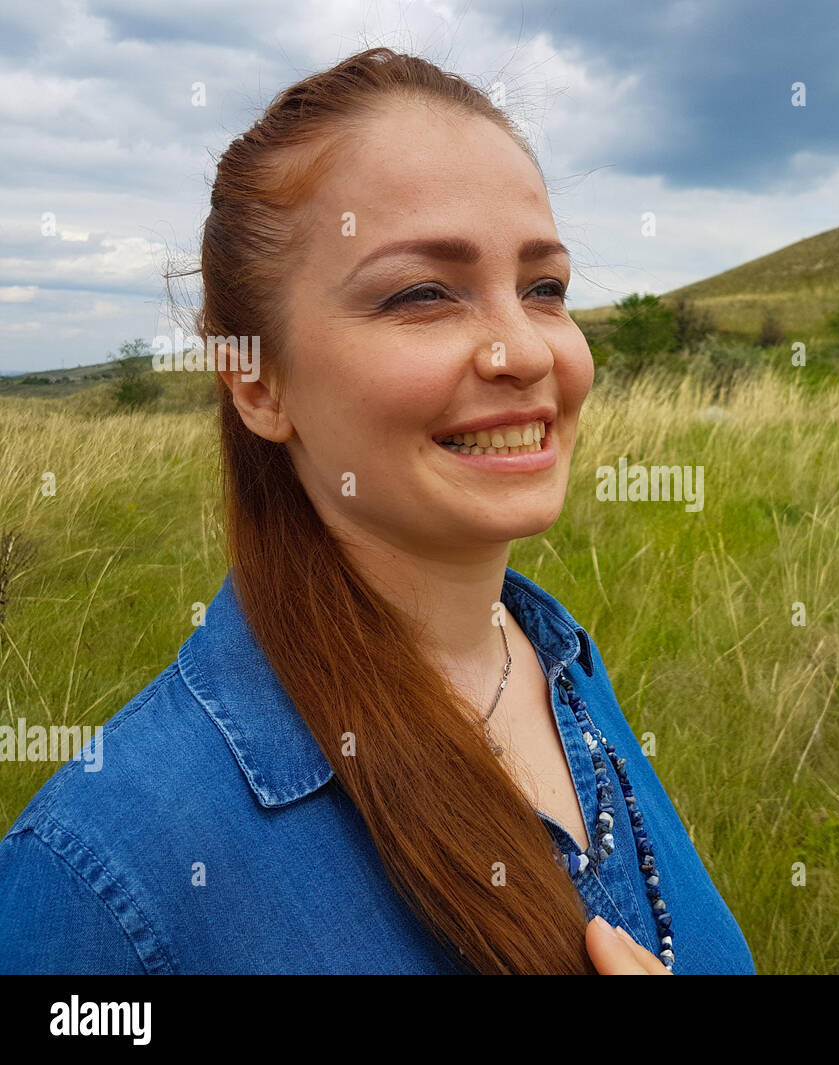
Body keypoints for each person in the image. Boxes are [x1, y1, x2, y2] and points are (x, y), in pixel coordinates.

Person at [0, 48, 755, 976]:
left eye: (544, 287)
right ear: (259, 383)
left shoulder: (557, 664)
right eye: (421, 293)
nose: (522, 350)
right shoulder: (102, 879)